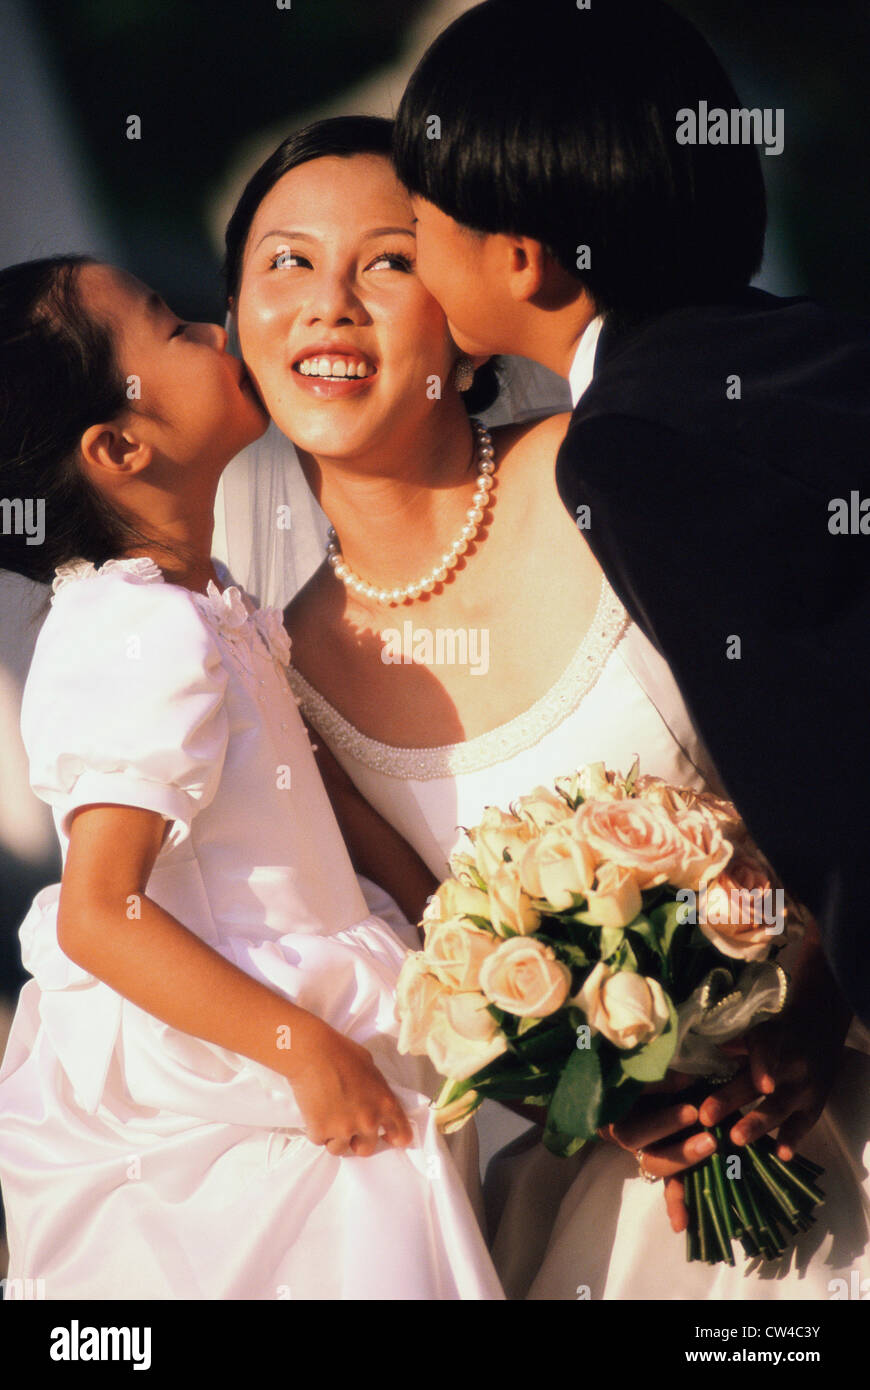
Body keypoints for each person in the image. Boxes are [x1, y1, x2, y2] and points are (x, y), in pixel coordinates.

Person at [219, 116, 867, 1298]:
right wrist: (606, 1095)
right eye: (288, 263)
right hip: (648, 1205)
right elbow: (434, 967)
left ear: (466, 325)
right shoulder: (274, 676)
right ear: (233, 338)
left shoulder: (613, 466)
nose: (331, 305)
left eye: (388, 259)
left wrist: (815, 994)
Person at [0, 254, 504, 1300]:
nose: (215, 328)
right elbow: (100, 910)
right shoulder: (137, 629)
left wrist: (463, 938)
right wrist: (300, 1049)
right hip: (247, 1070)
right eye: (173, 330)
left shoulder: (203, 601)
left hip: (305, 1021)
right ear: (120, 446)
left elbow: (335, 809)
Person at [392, 0, 870, 1037]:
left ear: (524, 260)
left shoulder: (631, 445)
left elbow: (817, 771)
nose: (414, 265)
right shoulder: (812, 340)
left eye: (417, 230)